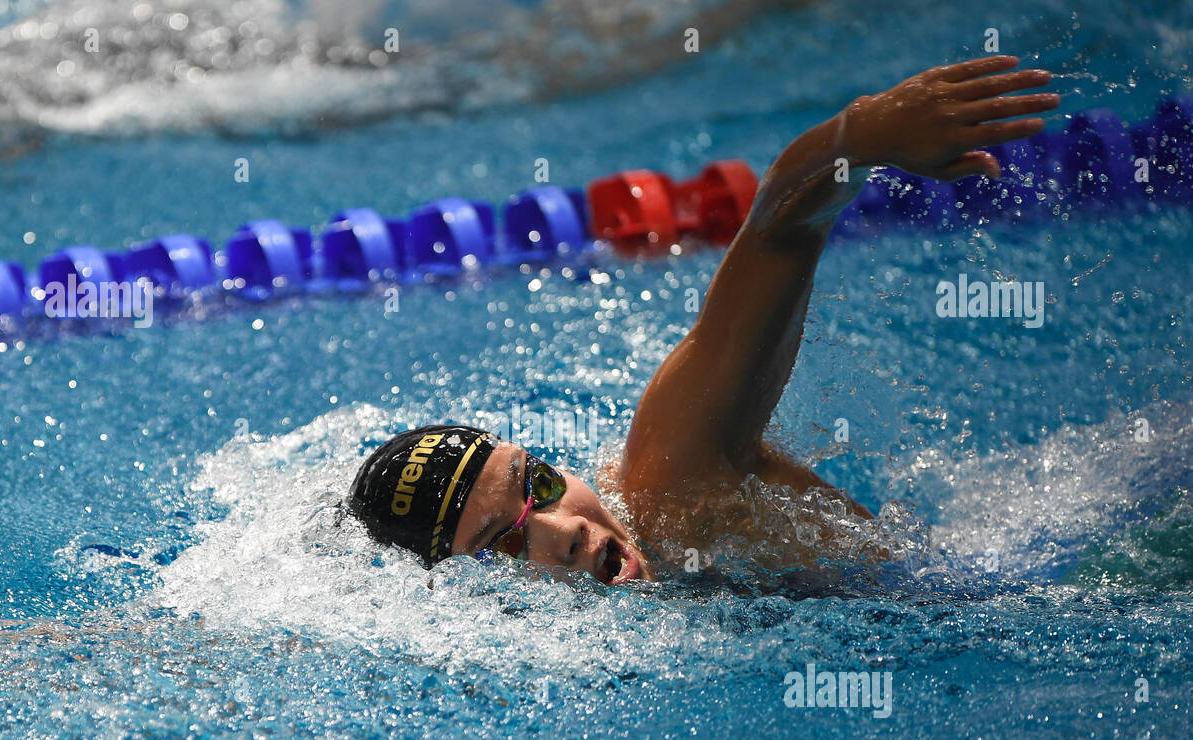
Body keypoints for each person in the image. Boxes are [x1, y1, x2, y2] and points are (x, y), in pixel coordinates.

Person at [365, 57, 1053, 584]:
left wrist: (863, 132)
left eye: (539, 484)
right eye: (507, 542)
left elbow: (780, 231)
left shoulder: (672, 487)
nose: (564, 529)